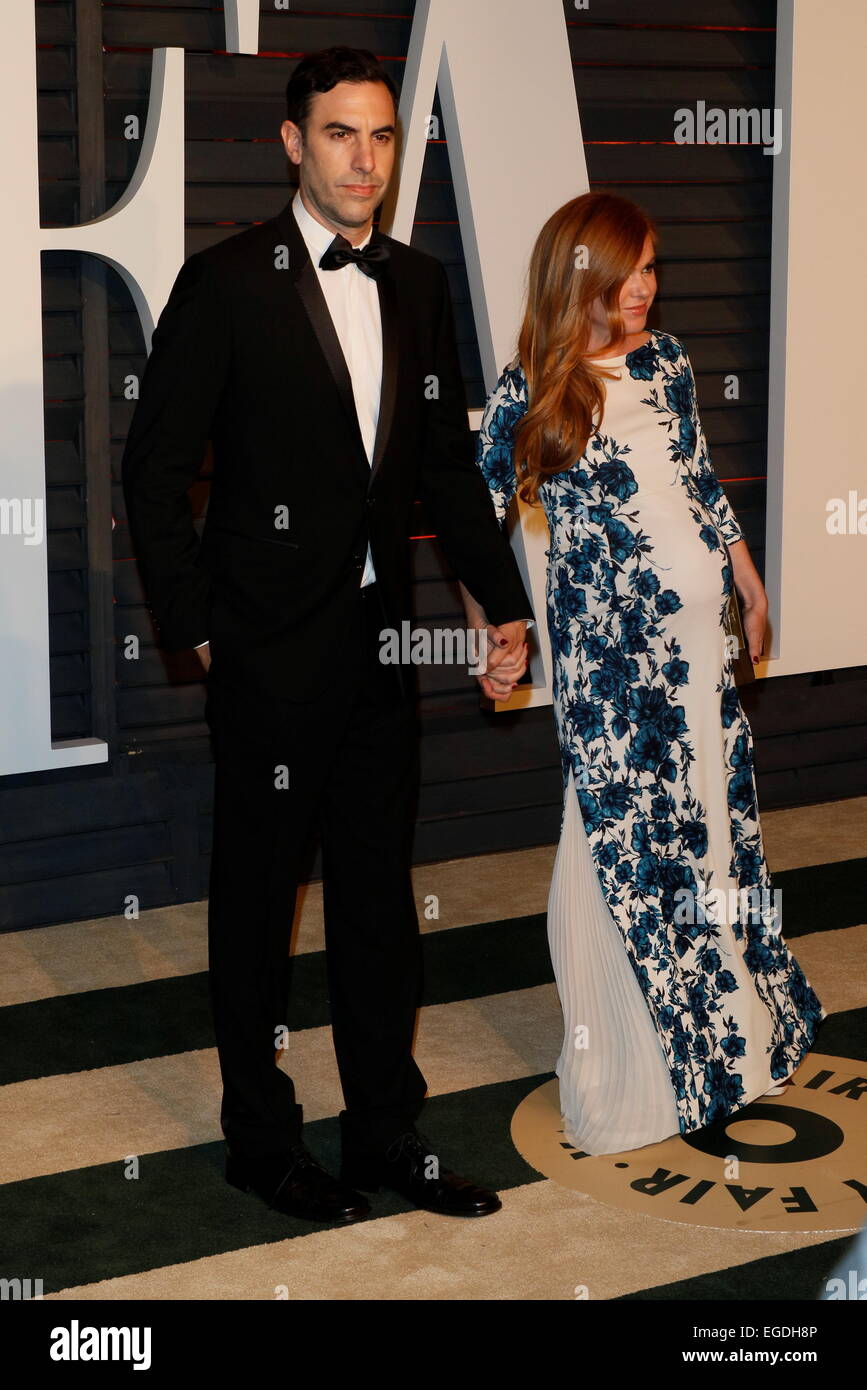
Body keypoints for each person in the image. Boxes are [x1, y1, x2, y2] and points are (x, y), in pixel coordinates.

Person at [122, 46, 532, 1222]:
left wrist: (502, 603)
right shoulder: (228, 282)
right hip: (264, 651)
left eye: (385, 135)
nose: (366, 158)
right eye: (342, 134)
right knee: (257, 905)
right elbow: (153, 471)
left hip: (378, 652)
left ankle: (385, 1134)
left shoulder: (417, 280)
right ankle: (261, 1138)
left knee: (373, 899)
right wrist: (193, 633)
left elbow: (449, 470)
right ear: (295, 144)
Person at [470, 191, 825, 1153]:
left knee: (712, 819)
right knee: (617, 841)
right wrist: (490, 630)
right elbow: (476, 524)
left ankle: (730, 1048)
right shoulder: (529, 393)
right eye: (629, 271)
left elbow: (699, 481)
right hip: (613, 671)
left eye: (652, 268)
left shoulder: (667, 362)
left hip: (700, 646)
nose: (645, 287)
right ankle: (623, 1071)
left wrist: (746, 584)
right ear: (578, 276)